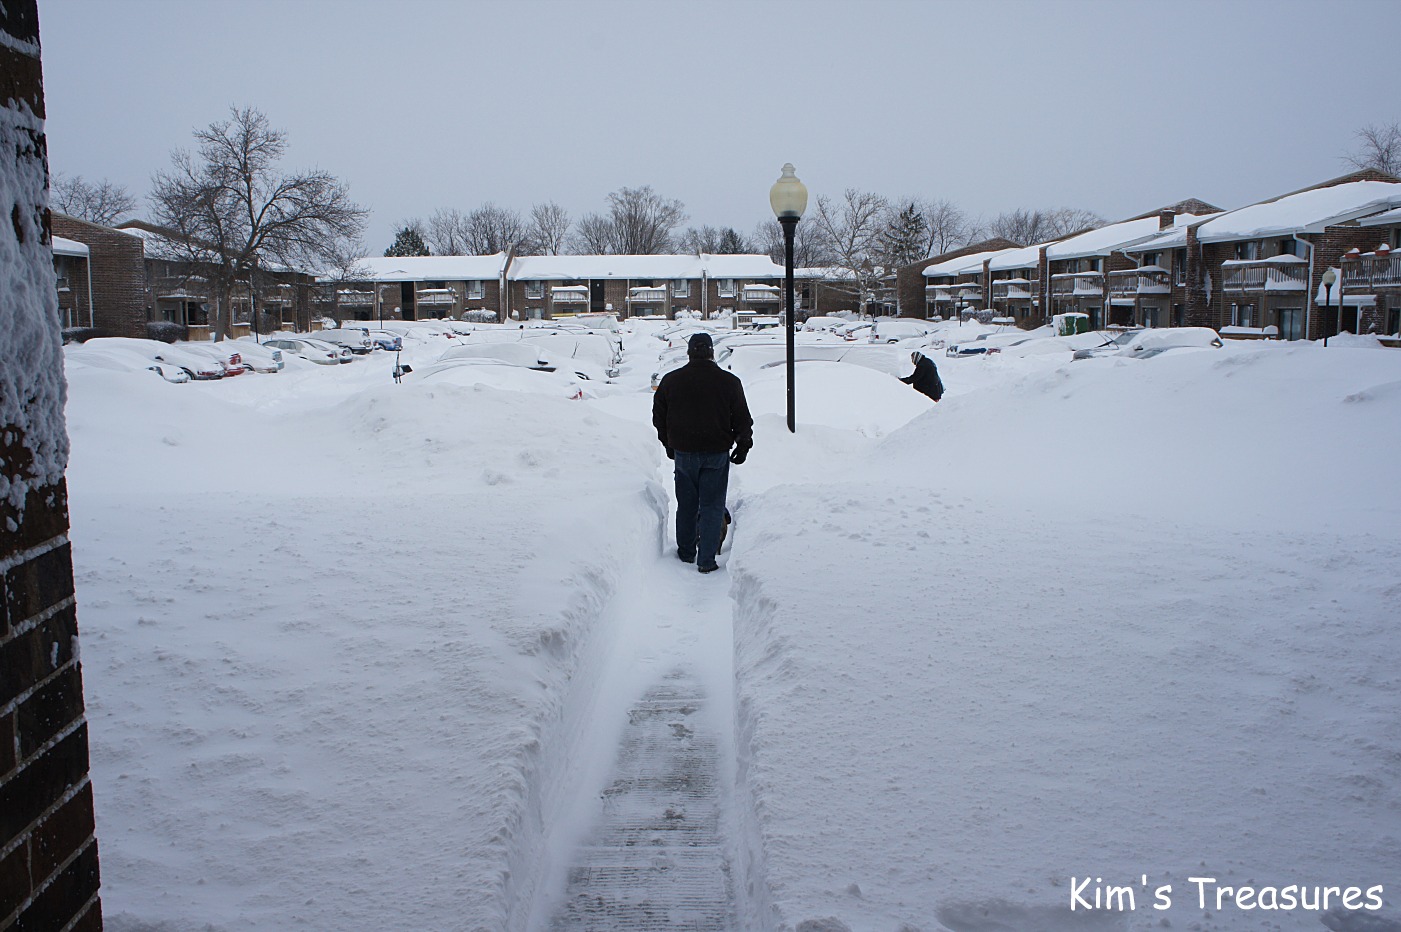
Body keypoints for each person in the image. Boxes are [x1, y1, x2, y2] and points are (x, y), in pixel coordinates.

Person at [652, 332, 753, 574]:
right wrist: (743, 444)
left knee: (687, 504)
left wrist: (668, 444)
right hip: (716, 453)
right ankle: (706, 559)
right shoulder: (729, 382)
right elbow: (741, 418)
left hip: (684, 453)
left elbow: (659, 418)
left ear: (689, 353)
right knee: (712, 505)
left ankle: (686, 552)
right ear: (711, 352)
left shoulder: (671, 381)